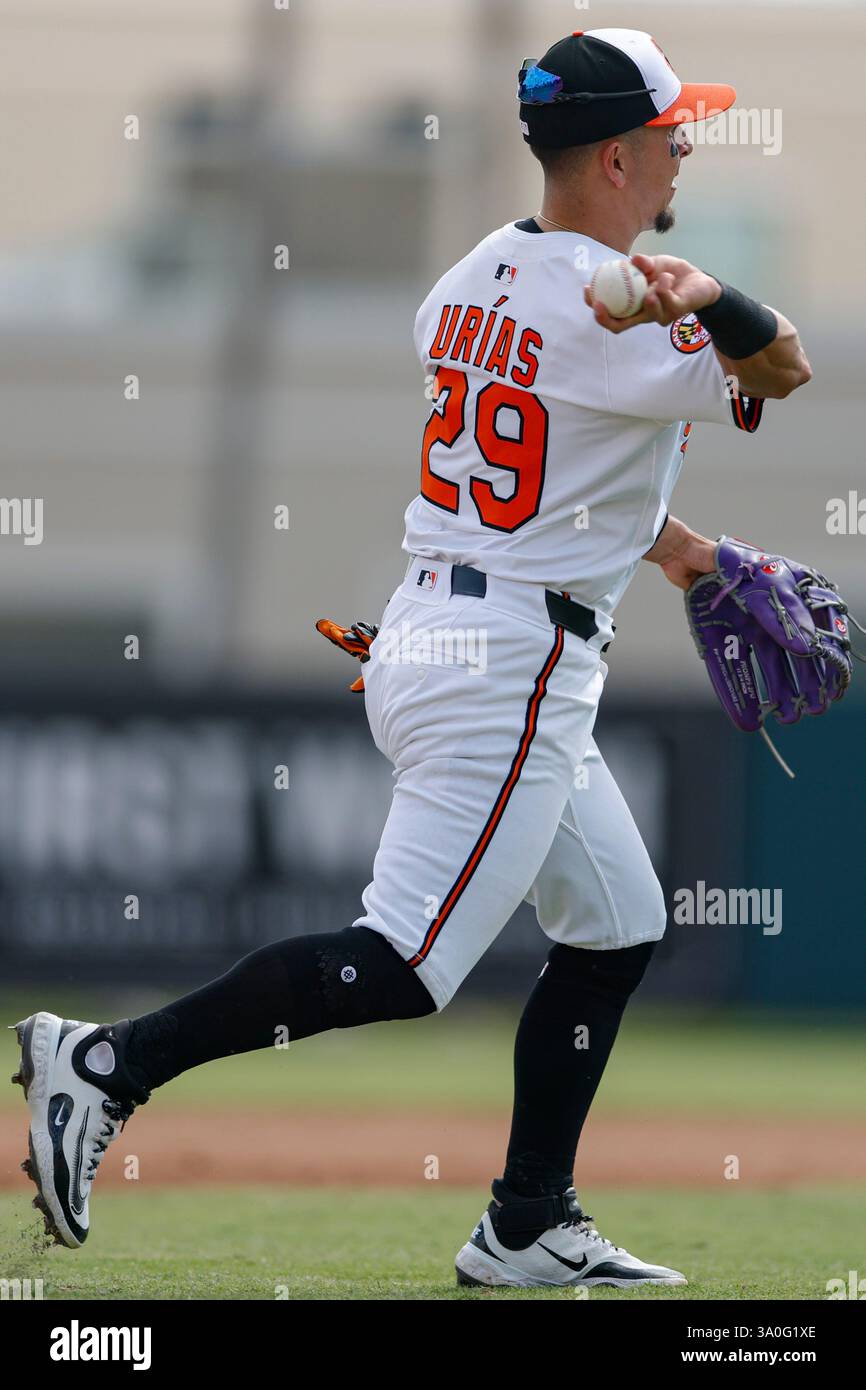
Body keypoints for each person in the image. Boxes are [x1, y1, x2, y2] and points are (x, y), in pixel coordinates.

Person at [12, 28, 810, 1289]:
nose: (684, 151)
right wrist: (713, 298)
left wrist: (683, 551)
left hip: (452, 617)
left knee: (615, 920)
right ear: (615, 155)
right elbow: (785, 366)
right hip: (512, 662)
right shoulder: (632, 311)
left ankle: (524, 1222)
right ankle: (107, 1061)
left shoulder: (466, 281)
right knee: (403, 962)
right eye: (669, 134)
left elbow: (550, 480)